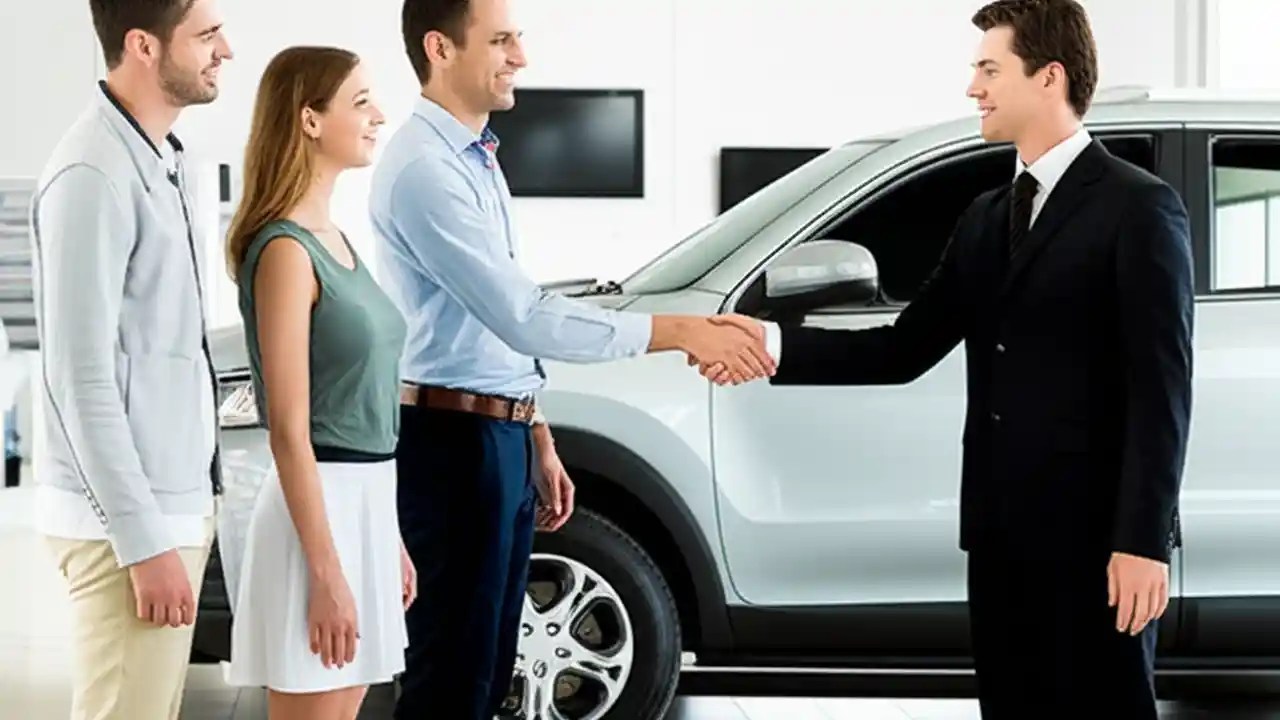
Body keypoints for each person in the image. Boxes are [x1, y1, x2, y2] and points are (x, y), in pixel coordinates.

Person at [702, 0, 1193, 717]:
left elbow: (1162, 391)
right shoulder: (987, 216)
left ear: (1048, 76)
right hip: (998, 540)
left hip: (1096, 548)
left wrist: (1143, 542)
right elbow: (903, 347)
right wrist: (766, 344)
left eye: (989, 69)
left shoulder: (1139, 208)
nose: (974, 88)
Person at [372, 1, 774, 716]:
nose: (521, 56)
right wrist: (681, 331)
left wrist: (532, 424)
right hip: (453, 449)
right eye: (501, 40)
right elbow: (523, 314)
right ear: (439, 46)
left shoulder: (473, 158)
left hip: (491, 435)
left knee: (487, 673)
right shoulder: (424, 171)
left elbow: (487, 329)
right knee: (452, 681)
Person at [28, 1, 232, 718]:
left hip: (168, 506)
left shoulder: (161, 159)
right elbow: (77, 377)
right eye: (206, 35)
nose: (225, 50)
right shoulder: (92, 171)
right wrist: (143, 545)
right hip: (128, 525)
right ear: (143, 45)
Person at [222, 46, 415, 720]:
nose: (379, 116)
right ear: (309, 119)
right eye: (360, 102)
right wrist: (329, 573)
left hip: (362, 506)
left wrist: (384, 538)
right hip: (317, 522)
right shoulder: (285, 251)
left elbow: (358, 407)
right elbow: (289, 431)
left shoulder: (334, 237)